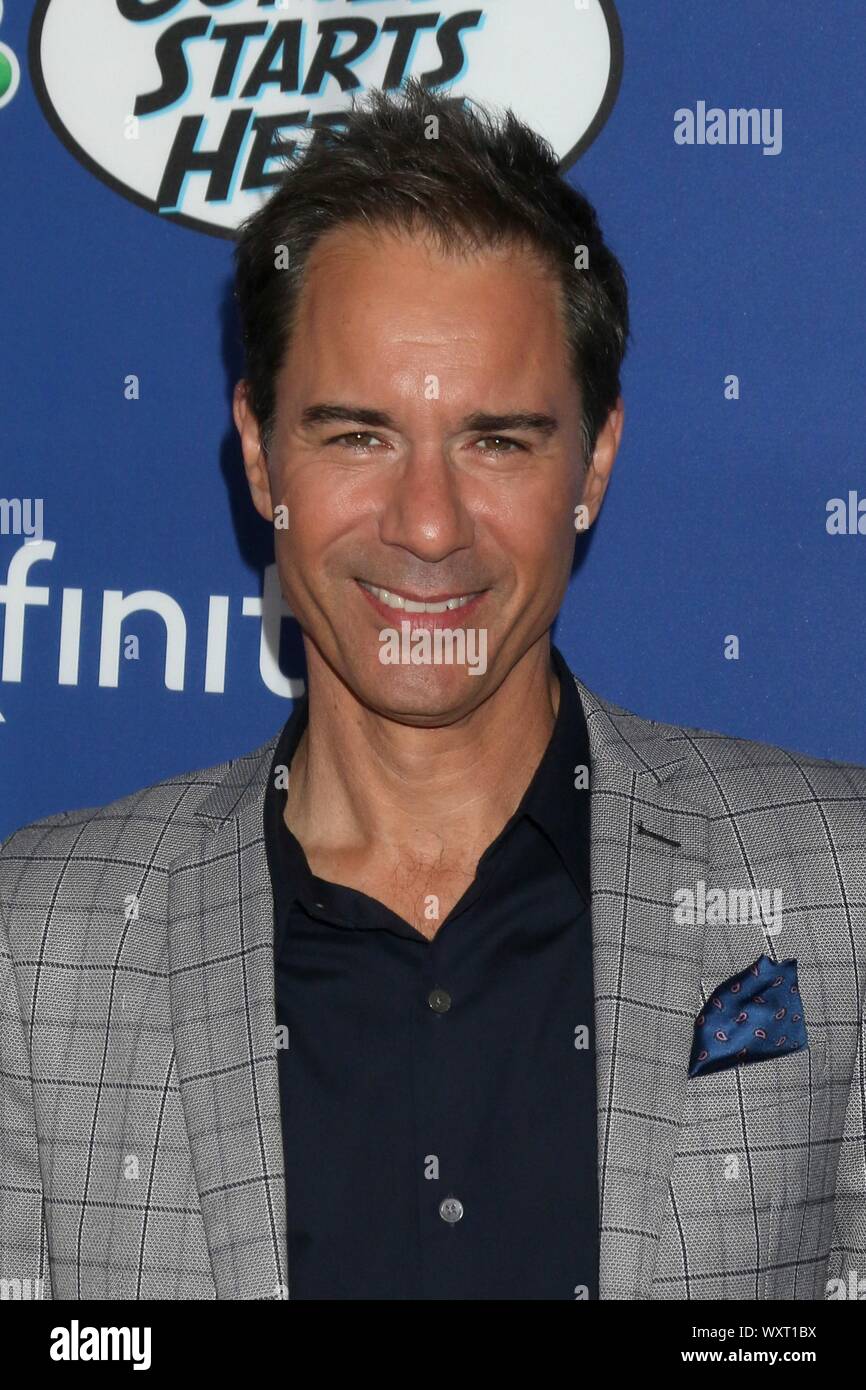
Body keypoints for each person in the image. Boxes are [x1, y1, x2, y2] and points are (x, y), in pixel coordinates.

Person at [1, 81, 863, 1301]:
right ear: (259, 454)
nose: (424, 524)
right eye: (356, 435)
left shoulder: (838, 895)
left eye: (494, 440)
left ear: (593, 461)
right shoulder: (38, 954)